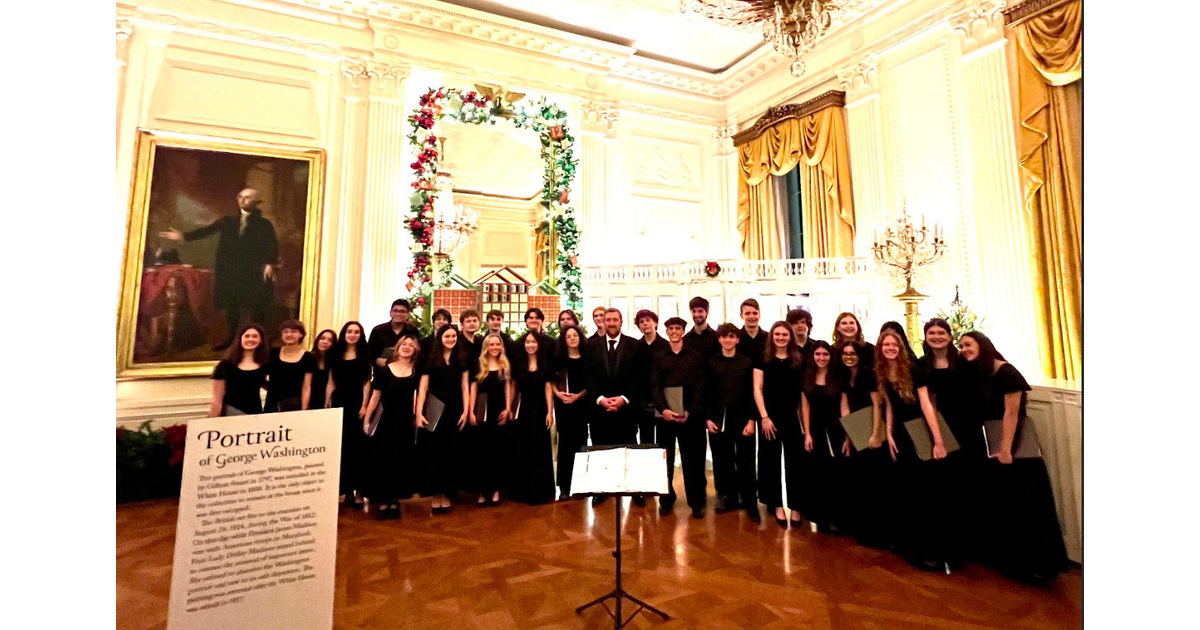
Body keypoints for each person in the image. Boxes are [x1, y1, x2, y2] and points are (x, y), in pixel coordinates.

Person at [957, 331, 1067, 584]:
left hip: (1015, 447)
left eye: (968, 344)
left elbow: (1012, 413)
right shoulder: (981, 372)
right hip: (994, 445)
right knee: (1004, 506)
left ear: (983, 345)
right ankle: (1010, 560)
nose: (964, 349)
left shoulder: (1007, 373)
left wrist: (1006, 449)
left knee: (1026, 507)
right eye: (961, 345)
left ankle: (1036, 565)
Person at [158, 188, 277, 350]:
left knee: (256, 305)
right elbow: (207, 231)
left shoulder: (264, 225)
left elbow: (271, 245)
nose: (242, 200)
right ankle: (231, 339)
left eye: (247, 198)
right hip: (231, 269)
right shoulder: (228, 221)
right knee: (232, 304)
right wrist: (183, 236)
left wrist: (269, 263)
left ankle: (260, 341)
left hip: (253, 270)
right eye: (240, 197)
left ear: (256, 202)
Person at [876, 329, 949, 571]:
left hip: (919, 431)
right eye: (885, 345)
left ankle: (929, 550)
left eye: (893, 344)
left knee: (923, 491)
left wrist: (938, 441)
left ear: (900, 347)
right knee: (904, 490)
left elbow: (927, 406)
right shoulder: (883, 372)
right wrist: (888, 432)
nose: (890, 348)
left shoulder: (914, 370)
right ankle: (909, 544)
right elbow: (889, 407)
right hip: (899, 434)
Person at [584, 308, 644, 506]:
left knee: (629, 449)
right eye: (608, 319)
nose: (610, 323)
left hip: (626, 410)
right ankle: (601, 489)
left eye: (614, 320)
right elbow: (589, 377)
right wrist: (601, 399)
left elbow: (638, 377)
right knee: (601, 450)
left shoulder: (635, 346)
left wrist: (623, 399)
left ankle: (635, 489)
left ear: (621, 322)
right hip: (600, 410)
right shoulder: (591, 346)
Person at [651, 317, 707, 518]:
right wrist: (664, 409)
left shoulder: (695, 356)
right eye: (671, 328)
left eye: (678, 328)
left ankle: (696, 501)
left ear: (683, 331)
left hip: (690, 417)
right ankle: (666, 499)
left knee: (693, 460)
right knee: (665, 459)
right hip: (665, 417)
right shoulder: (659, 356)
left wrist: (689, 410)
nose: (674, 332)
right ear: (666, 331)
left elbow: (701, 384)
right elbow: (654, 386)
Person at [753, 321, 807, 528]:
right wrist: (764, 417)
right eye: (777, 334)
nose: (781, 338)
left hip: (793, 416)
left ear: (790, 337)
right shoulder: (763, 359)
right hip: (769, 417)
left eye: (785, 334)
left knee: (796, 461)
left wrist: (803, 423)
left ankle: (795, 506)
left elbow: (802, 393)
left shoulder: (798, 359)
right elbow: (757, 388)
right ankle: (776, 505)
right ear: (772, 337)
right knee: (769, 460)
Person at [704, 323, 759, 521]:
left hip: (743, 419)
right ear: (719, 339)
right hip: (718, 419)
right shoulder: (711, 363)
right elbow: (707, 392)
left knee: (745, 460)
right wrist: (708, 418)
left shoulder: (747, 362)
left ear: (737, 339)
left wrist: (752, 420)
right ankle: (726, 497)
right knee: (721, 460)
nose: (728, 340)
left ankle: (749, 501)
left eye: (731, 337)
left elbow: (753, 393)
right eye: (724, 337)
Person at [362, 333, 421, 520]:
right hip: (386, 421)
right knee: (384, 460)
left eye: (410, 345)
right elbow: (375, 396)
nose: (406, 347)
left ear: (415, 351)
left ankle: (395, 500)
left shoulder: (416, 371)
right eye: (404, 344)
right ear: (398, 347)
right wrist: (367, 419)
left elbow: (418, 396)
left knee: (401, 460)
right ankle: (384, 499)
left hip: (405, 423)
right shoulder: (385, 370)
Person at [415, 324, 470, 514]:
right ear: (440, 338)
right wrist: (419, 412)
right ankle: (435, 494)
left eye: (454, 336)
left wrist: (466, 410)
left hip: (455, 410)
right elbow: (423, 388)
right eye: (447, 336)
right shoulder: (430, 360)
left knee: (451, 452)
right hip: (434, 409)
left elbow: (465, 387)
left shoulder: (461, 359)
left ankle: (447, 493)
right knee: (434, 452)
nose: (451, 339)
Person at [800, 341, 852, 534]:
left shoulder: (838, 378)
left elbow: (844, 408)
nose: (821, 358)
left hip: (836, 430)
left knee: (836, 476)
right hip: (815, 431)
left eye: (825, 355)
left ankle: (836, 518)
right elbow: (805, 407)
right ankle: (820, 517)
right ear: (813, 357)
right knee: (818, 475)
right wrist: (807, 433)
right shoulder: (807, 377)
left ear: (830, 356)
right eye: (818, 355)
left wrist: (848, 436)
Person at [328, 321, 372, 506]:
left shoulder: (364, 355)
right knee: (342, 447)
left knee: (358, 448)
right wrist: (327, 402)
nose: (352, 335)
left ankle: (360, 491)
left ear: (360, 335)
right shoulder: (335, 354)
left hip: (357, 404)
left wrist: (364, 406)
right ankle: (346, 491)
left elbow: (366, 382)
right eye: (349, 331)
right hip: (339, 402)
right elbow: (331, 381)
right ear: (344, 334)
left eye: (356, 332)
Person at [510, 331, 556, 505]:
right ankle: (523, 491)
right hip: (523, 409)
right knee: (523, 448)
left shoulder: (545, 363)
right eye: (527, 342)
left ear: (538, 344)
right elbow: (513, 387)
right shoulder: (519, 363)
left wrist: (550, 411)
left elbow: (547, 388)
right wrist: (510, 408)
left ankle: (540, 491)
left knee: (539, 449)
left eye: (533, 342)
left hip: (540, 410)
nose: (530, 345)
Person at [468, 332, 513, 507]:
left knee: (498, 452)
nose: (495, 347)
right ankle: (482, 490)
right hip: (481, 410)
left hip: (499, 410)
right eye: (492, 345)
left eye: (497, 344)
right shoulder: (478, 364)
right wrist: (471, 411)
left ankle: (495, 490)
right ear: (486, 347)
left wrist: (508, 408)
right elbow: (473, 389)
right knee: (481, 452)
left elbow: (508, 387)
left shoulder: (504, 365)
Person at [633, 309, 669, 507]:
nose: (645, 324)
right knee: (645, 444)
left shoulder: (664, 345)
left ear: (655, 323)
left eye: (648, 320)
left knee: (663, 444)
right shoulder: (635, 347)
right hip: (642, 402)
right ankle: (645, 485)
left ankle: (663, 487)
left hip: (662, 403)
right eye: (641, 321)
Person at [552, 324, 589, 500]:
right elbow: (550, 381)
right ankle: (565, 486)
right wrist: (558, 394)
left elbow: (591, 384)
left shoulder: (587, 359)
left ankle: (580, 485)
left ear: (580, 338)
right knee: (565, 444)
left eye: (575, 336)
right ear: (564, 340)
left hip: (581, 405)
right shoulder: (558, 359)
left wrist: (577, 396)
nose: (572, 338)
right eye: (568, 336)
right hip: (563, 405)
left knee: (580, 442)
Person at [208, 323, 269, 416]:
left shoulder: (264, 365)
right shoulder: (225, 366)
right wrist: (211, 422)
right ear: (240, 339)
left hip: (255, 414)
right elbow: (217, 399)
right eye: (247, 336)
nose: (250, 339)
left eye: (255, 336)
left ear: (261, 340)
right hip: (230, 413)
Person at [264, 319, 317, 412]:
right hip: (272, 404)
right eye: (285, 332)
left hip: (294, 405)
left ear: (301, 334)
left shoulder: (308, 357)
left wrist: (303, 410)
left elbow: (306, 386)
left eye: (294, 331)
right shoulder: (273, 353)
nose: (289, 334)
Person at [368, 299, 420, 368]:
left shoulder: (413, 331)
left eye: (402, 311)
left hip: (406, 373)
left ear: (408, 314)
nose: (398, 314)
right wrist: (378, 361)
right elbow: (369, 354)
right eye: (395, 311)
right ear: (390, 313)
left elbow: (417, 352)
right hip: (382, 373)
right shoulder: (378, 331)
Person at [309, 329, 337, 409]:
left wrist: (327, 401)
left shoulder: (333, 361)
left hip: (325, 399)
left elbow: (331, 383)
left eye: (330, 340)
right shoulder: (309, 358)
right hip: (308, 398)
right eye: (322, 338)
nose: (325, 342)